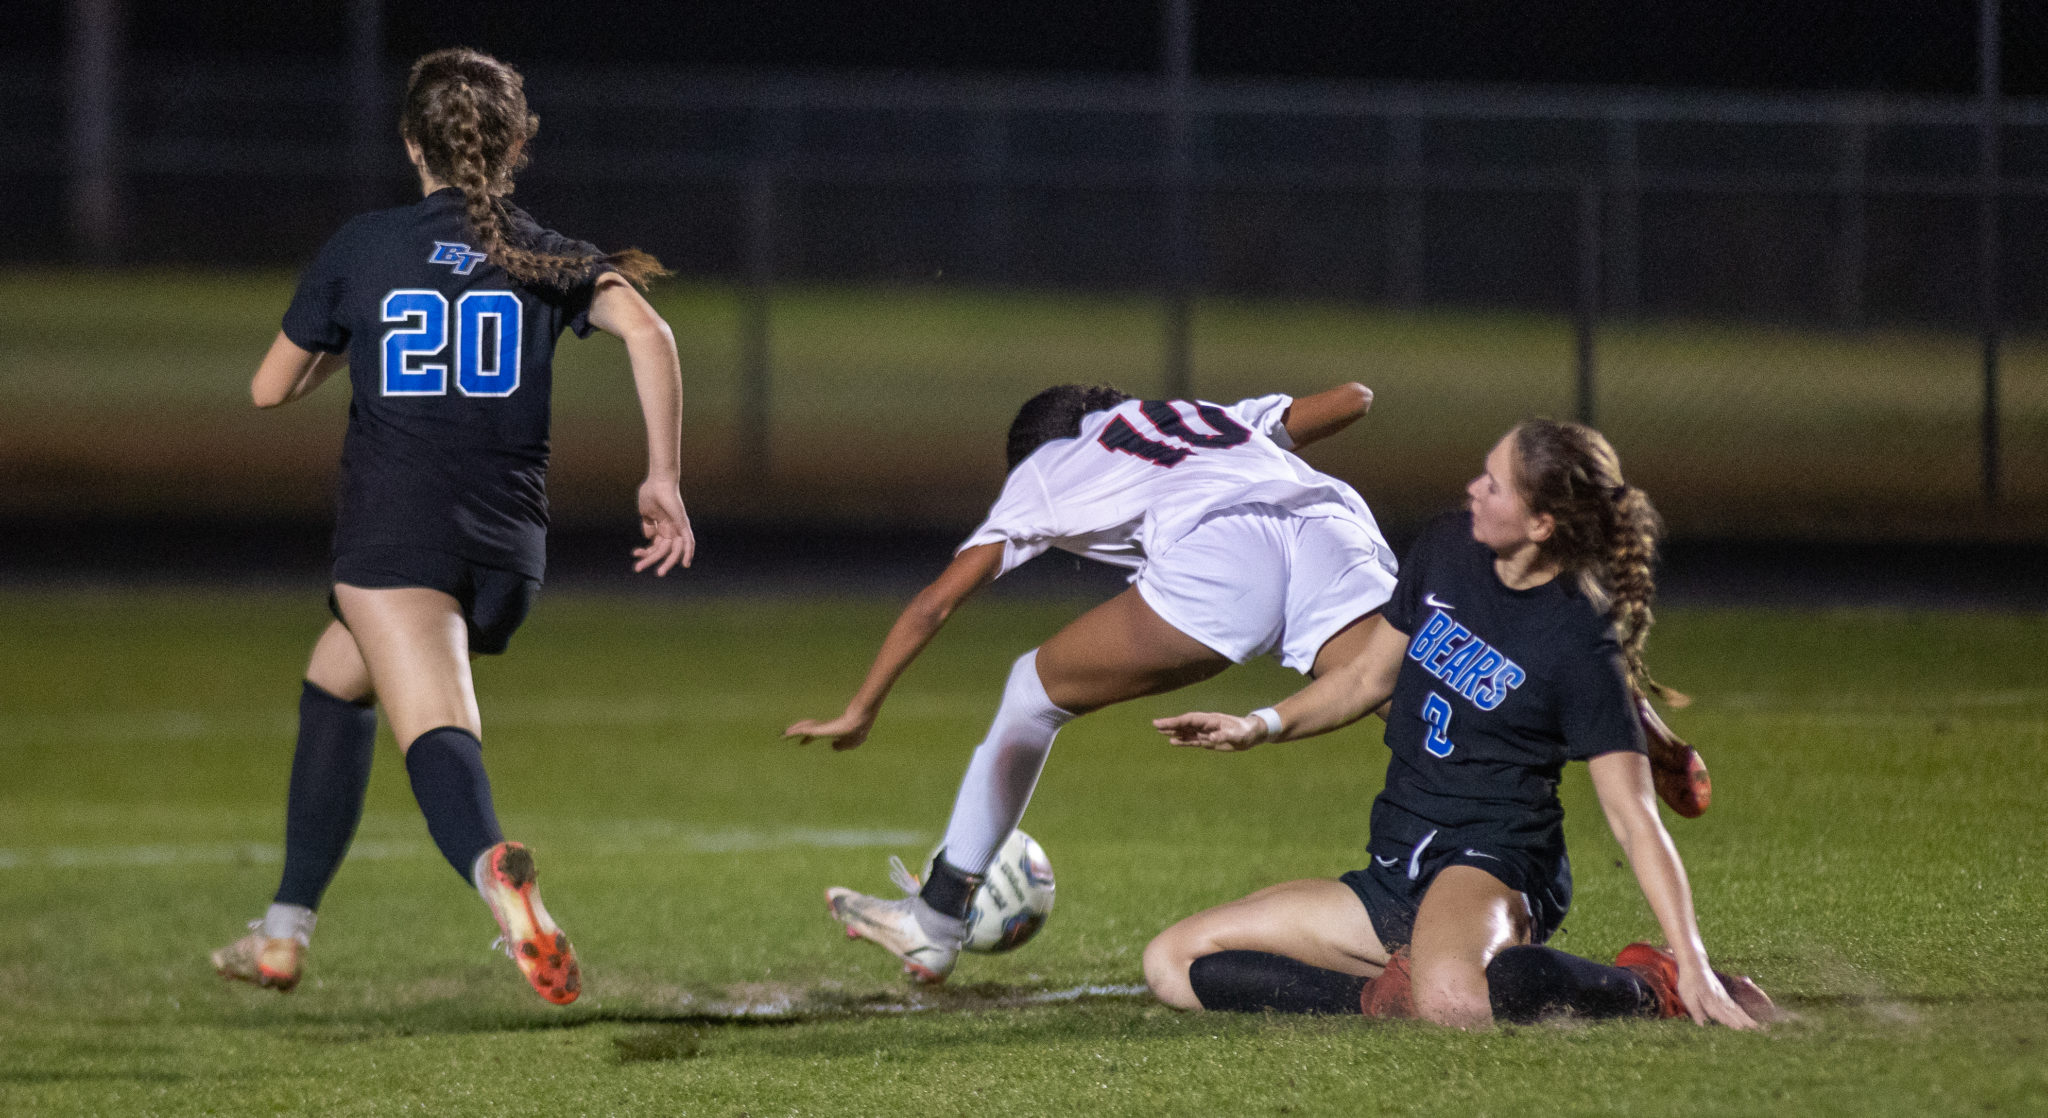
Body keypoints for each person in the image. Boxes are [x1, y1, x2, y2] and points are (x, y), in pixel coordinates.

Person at [209, 48, 693, 1006]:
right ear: (515, 147)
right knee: (336, 681)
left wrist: (356, 335)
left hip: (399, 538)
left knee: (434, 727)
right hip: (510, 554)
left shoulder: (366, 246)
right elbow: (651, 332)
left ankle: (495, 876)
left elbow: (268, 390)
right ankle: (283, 931)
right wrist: (663, 480)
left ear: (409, 145)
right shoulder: (544, 251)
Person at [1144, 419, 1775, 1029]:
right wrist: (1258, 725)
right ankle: (1385, 997)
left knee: (1453, 1000)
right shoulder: (1447, 549)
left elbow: (1634, 820)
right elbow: (1366, 678)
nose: (1473, 489)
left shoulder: (1580, 643)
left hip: (1492, 859)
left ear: (1541, 523)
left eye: (1494, 485)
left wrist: (1694, 961)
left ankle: (1651, 986)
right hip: (1397, 863)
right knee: (1172, 962)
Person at [785, 381, 1399, 984]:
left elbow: (935, 603)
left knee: (1031, 693)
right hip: (1332, 528)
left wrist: (862, 707)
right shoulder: (1196, 417)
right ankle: (1452, 877)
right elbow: (1356, 399)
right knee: (1403, 700)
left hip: (1221, 552)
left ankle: (936, 917)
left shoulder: (1047, 465)